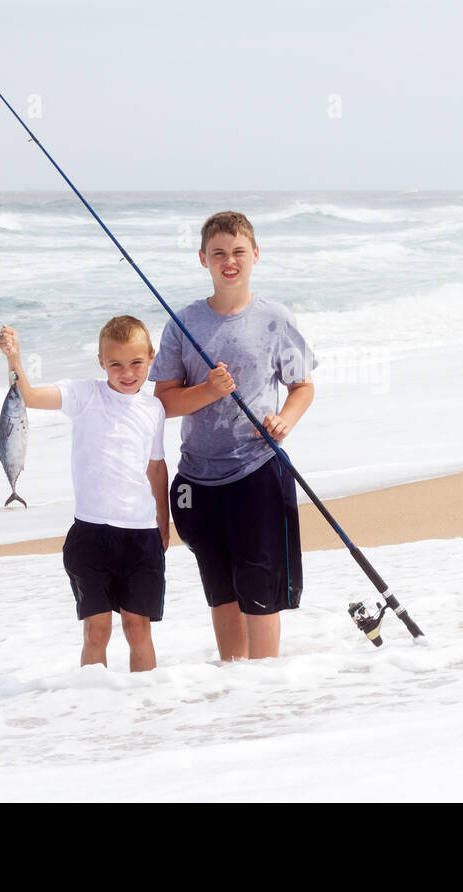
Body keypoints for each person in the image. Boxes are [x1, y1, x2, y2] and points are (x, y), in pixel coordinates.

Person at [151, 211, 317, 661]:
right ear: (202, 258)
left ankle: (264, 688)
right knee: (220, 590)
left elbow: (302, 386)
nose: (230, 261)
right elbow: (163, 402)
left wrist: (285, 419)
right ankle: (234, 688)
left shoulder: (275, 318)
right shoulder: (181, 323)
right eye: (219, 253)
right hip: (198, 479)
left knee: (259, 587)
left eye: (239, 252)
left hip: (257, 470)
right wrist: (207, 391)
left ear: (255, 255)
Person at [0, 316, 169, 672]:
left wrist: (163, 523)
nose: (127, 372)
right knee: (96, 632)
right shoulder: (84, 395)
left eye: (136, 362)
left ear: (151, 357)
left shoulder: (154, 409)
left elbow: (156, 468)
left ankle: (146, 711)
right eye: (116, 364)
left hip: (141, 536)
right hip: (91, 535)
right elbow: (27, 396)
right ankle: (94, 712)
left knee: (138, 630)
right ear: (101, 362)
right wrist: (13, 357)